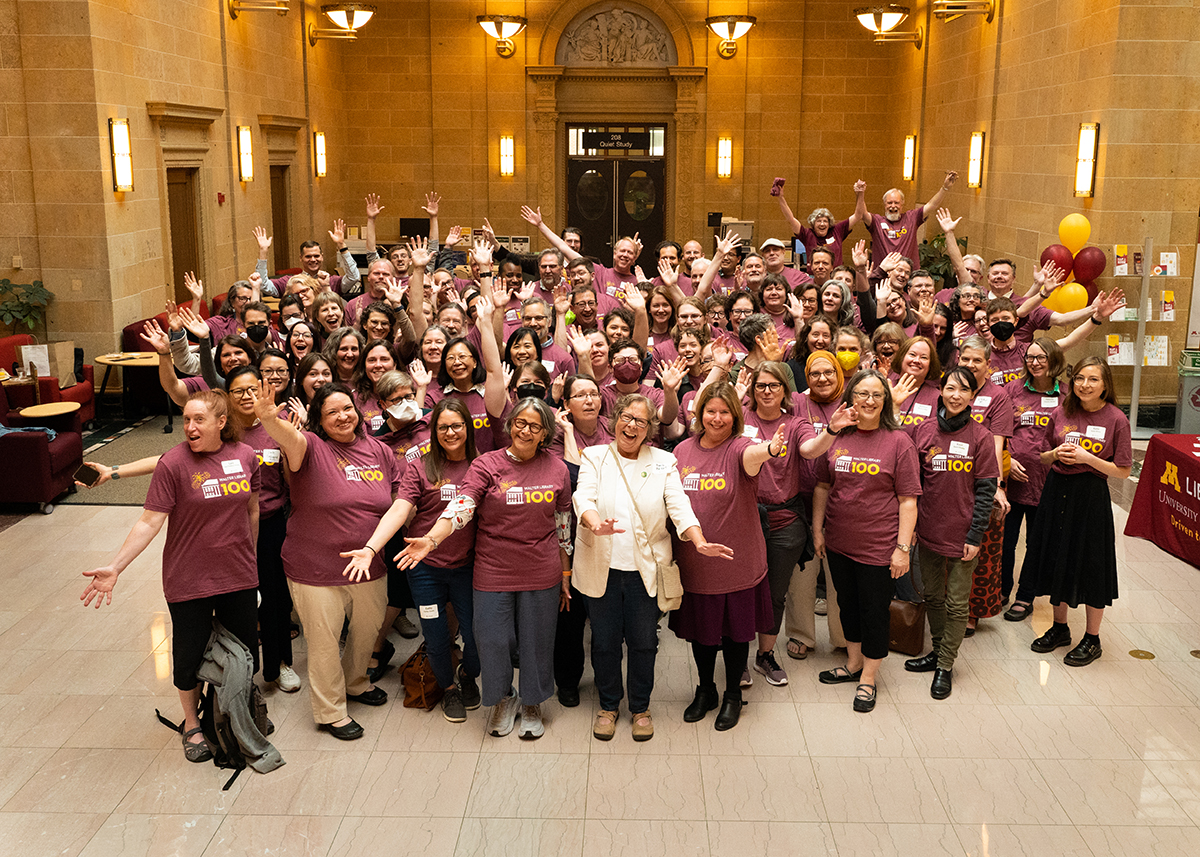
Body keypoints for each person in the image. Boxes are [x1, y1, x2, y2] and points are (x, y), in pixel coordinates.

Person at [80, 390, 261, 761]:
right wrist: (115, 566)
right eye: (186, 420)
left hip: (239, 575)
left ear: (221, 422)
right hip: (189, 578)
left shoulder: (245, 457)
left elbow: (253, 510)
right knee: (188, 657)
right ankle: (192, 725)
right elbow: (149, 521)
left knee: (245, 653)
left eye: (198, 420)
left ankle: (239, 713)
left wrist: (251, 558)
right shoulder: (173, 464)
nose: (189, 427)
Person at [398, 398, 573, 740]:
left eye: (535, 426)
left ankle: (533, 702)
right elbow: (463, 505)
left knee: (537, 641)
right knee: (493, 639)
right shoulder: (487, 464)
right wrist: (432, 539)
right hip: (493, 568)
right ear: (510, 425)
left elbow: (563, 522)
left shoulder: (557, 468)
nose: (526, 430)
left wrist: (566, 573)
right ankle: (503, 698)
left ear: (545, 434)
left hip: (542, 568)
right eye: (520, 422)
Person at [573, 394, 728, 741]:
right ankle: (609, 705)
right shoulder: (595, 456)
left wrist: (698, 539)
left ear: (649, 430)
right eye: (627, 418)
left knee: (644, 642)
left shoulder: (663, 462)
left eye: (640, 422)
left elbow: (679, 505)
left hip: (646, 571)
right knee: (605, 642)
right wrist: (595, 523)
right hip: (602, 568)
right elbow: (583, 495)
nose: (632, 426)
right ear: (614, 420)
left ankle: (640, 707)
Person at [251, 381, 399, 741]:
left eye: (347, 408)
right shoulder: (312, 448)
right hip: (313, 567)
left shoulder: (380, 451)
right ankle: (331, 711)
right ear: (319, 419)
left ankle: (356, 681)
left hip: (368, 564)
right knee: (323, 641)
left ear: (359, 412)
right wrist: (271, 419)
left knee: (367, 631)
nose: (342, 416)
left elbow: (399, 498)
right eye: (331, 412)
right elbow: (289, 438)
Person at [343, 399, 483, 722]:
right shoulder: (420, 466)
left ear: (468, 428)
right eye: (443, 427)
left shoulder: (480, 464)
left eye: (457, 425)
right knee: (434, 634)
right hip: (425, 569)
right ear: (433, 432)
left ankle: (467, 674)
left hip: (467, 567)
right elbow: (400, 508)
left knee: (477, 636)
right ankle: (448, 689)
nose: (450, 432)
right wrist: (371, 547)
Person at [671, 382, 785, 731]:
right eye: (711, 411)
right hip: (694, 561)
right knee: (701, 633)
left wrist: (771, 448)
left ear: (734, 415)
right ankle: (706, 689)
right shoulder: (681, 451)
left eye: (724, 412)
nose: (717, 418)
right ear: (699, 414)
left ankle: (733, 694)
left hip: (736, 562)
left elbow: (755, 457)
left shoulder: (741, 448)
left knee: (737, 634)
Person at [811, 369, 921, 713]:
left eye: (876, 395)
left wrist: (902, 549)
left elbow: (908, 500)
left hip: (879, 546)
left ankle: (869, 677)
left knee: (874, 612)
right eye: (862, 394)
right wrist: (818, 529)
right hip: (840, 542)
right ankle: (854, 662)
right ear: (851, 399)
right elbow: (822, 486)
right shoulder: (838, 436)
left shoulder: (899, 441)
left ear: (886, 400)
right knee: (848, 605)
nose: (869, 401)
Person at [742, 362, 855, 687]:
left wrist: (831, 431)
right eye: (761, 385)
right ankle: (738, 657)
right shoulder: (741, 419)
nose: (766, 391)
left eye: (773, 386)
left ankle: (765, 655)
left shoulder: (795, 424)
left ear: (785, 391)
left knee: (776, 594)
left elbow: (809, 450)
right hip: (744, 519)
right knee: (740, 592)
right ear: (752, 390)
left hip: (784, 520)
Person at [1025, 357, 1132, 666]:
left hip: (1090, 496)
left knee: (1091, 563)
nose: (1085, 385)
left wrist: (1087, 458)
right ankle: (1060, 628)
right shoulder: (1061, 411)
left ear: (1105, 384)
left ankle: (1092, 637)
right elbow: (1043, 456)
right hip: (1057, 491)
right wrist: (1055, 453)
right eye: (1081, 378)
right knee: (1057, 556)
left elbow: (1123, 470)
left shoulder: (1116, 419)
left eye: (1093, 379)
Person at [904, 368, 1000, 698]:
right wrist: (913, 527)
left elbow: (987, 490)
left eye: (963, 390)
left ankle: (945, 664)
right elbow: (913, 485)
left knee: (958, 605)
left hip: (963, 537)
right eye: (950, 388)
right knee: (933, 596)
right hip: (929, 530)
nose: (956, 395)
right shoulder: (923, 430)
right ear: (940, 391)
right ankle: (936, 650)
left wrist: (975, 536)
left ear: (973, 397)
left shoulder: (981, 437)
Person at [1001, 338, 1066, 621]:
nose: (1035, 363)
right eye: (1030, 357)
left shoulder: (1066, 394)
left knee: (1037, 543)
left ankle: (1026, 595)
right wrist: (1006, 459)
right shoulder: (1013, 390)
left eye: (1041, 357)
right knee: (1006, 540)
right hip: (1012, 480)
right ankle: (1000, 589)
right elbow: (998, 430)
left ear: (1054, 360)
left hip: (1048, 482)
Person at [957, 336, 1014, 635]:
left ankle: (972, 611)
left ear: (988, 365)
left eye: (977, 360)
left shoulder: (997, 396)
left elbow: (996, 444)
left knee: (979, 548)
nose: (970, 365)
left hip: (980, 482)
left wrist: (995, 485)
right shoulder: (950, 388)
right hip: (950, 479)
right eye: (965, 359)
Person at [857, 172, 957, 263]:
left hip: (908, 276)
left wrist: (945, 188)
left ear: (902, 204)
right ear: (884, 204)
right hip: (883, 277)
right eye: (889, 203)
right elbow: (862, 213)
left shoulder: (911, 218)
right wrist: (860, 193)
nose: (893, 206)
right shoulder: (877, 222)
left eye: (896, 203)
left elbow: (932, 205)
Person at [775, 181, 864, 267]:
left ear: (829, 224)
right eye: (818, 221)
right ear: (813, 224)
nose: (822, 224)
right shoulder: (807, 234)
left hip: (835, 277)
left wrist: (860, 194)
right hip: (814, 276)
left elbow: (858, 215)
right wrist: (781, 197)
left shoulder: (837, 231)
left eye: (825, 221)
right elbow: (791, 219)